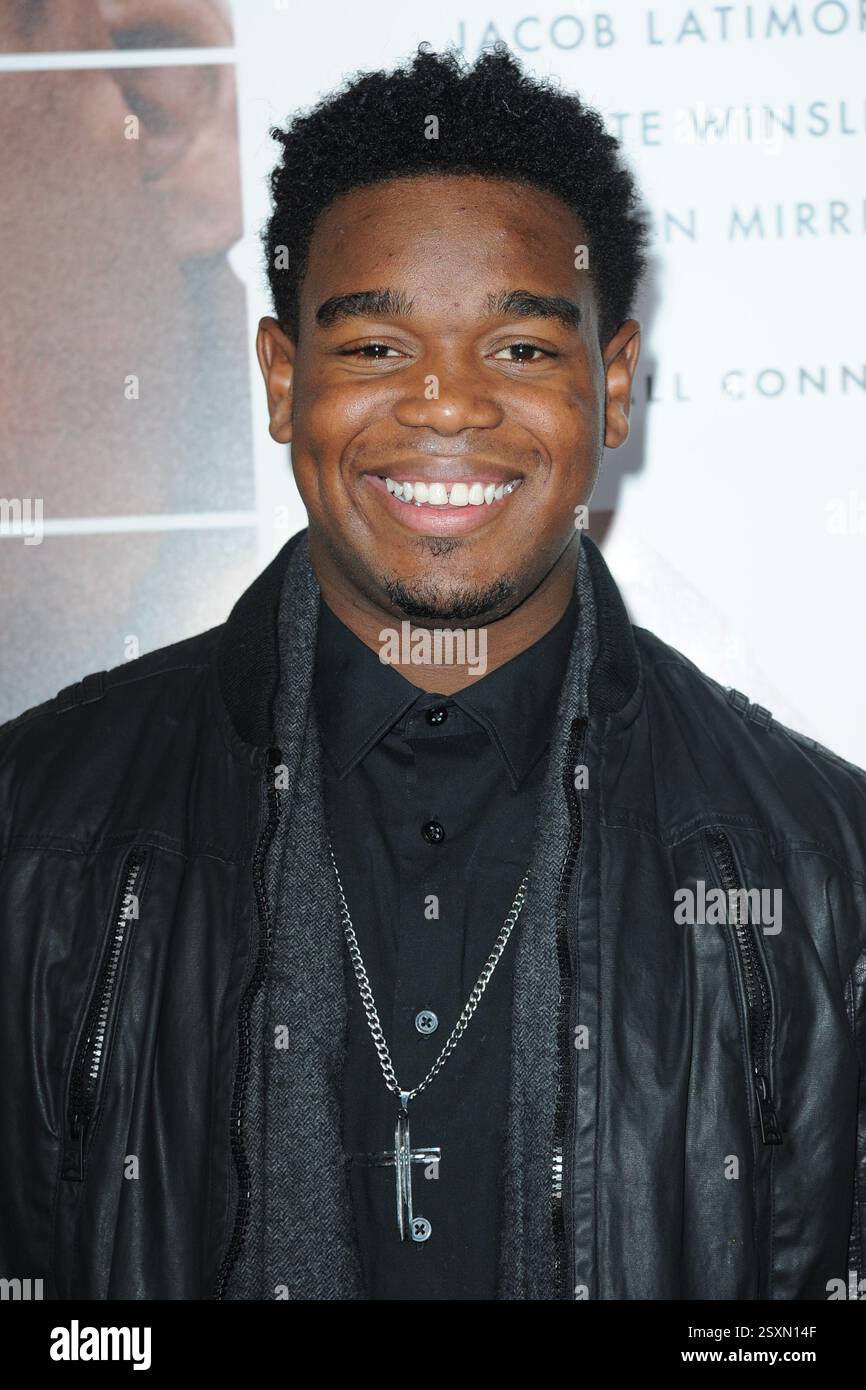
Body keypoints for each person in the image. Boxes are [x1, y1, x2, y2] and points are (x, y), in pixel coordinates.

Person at [1, 44, 863, 1302]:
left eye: (518, 349)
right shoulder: (38, 827)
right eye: (372, 350)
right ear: (283, 380)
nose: (446, 406)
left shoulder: (819, 865)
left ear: (610, 387)